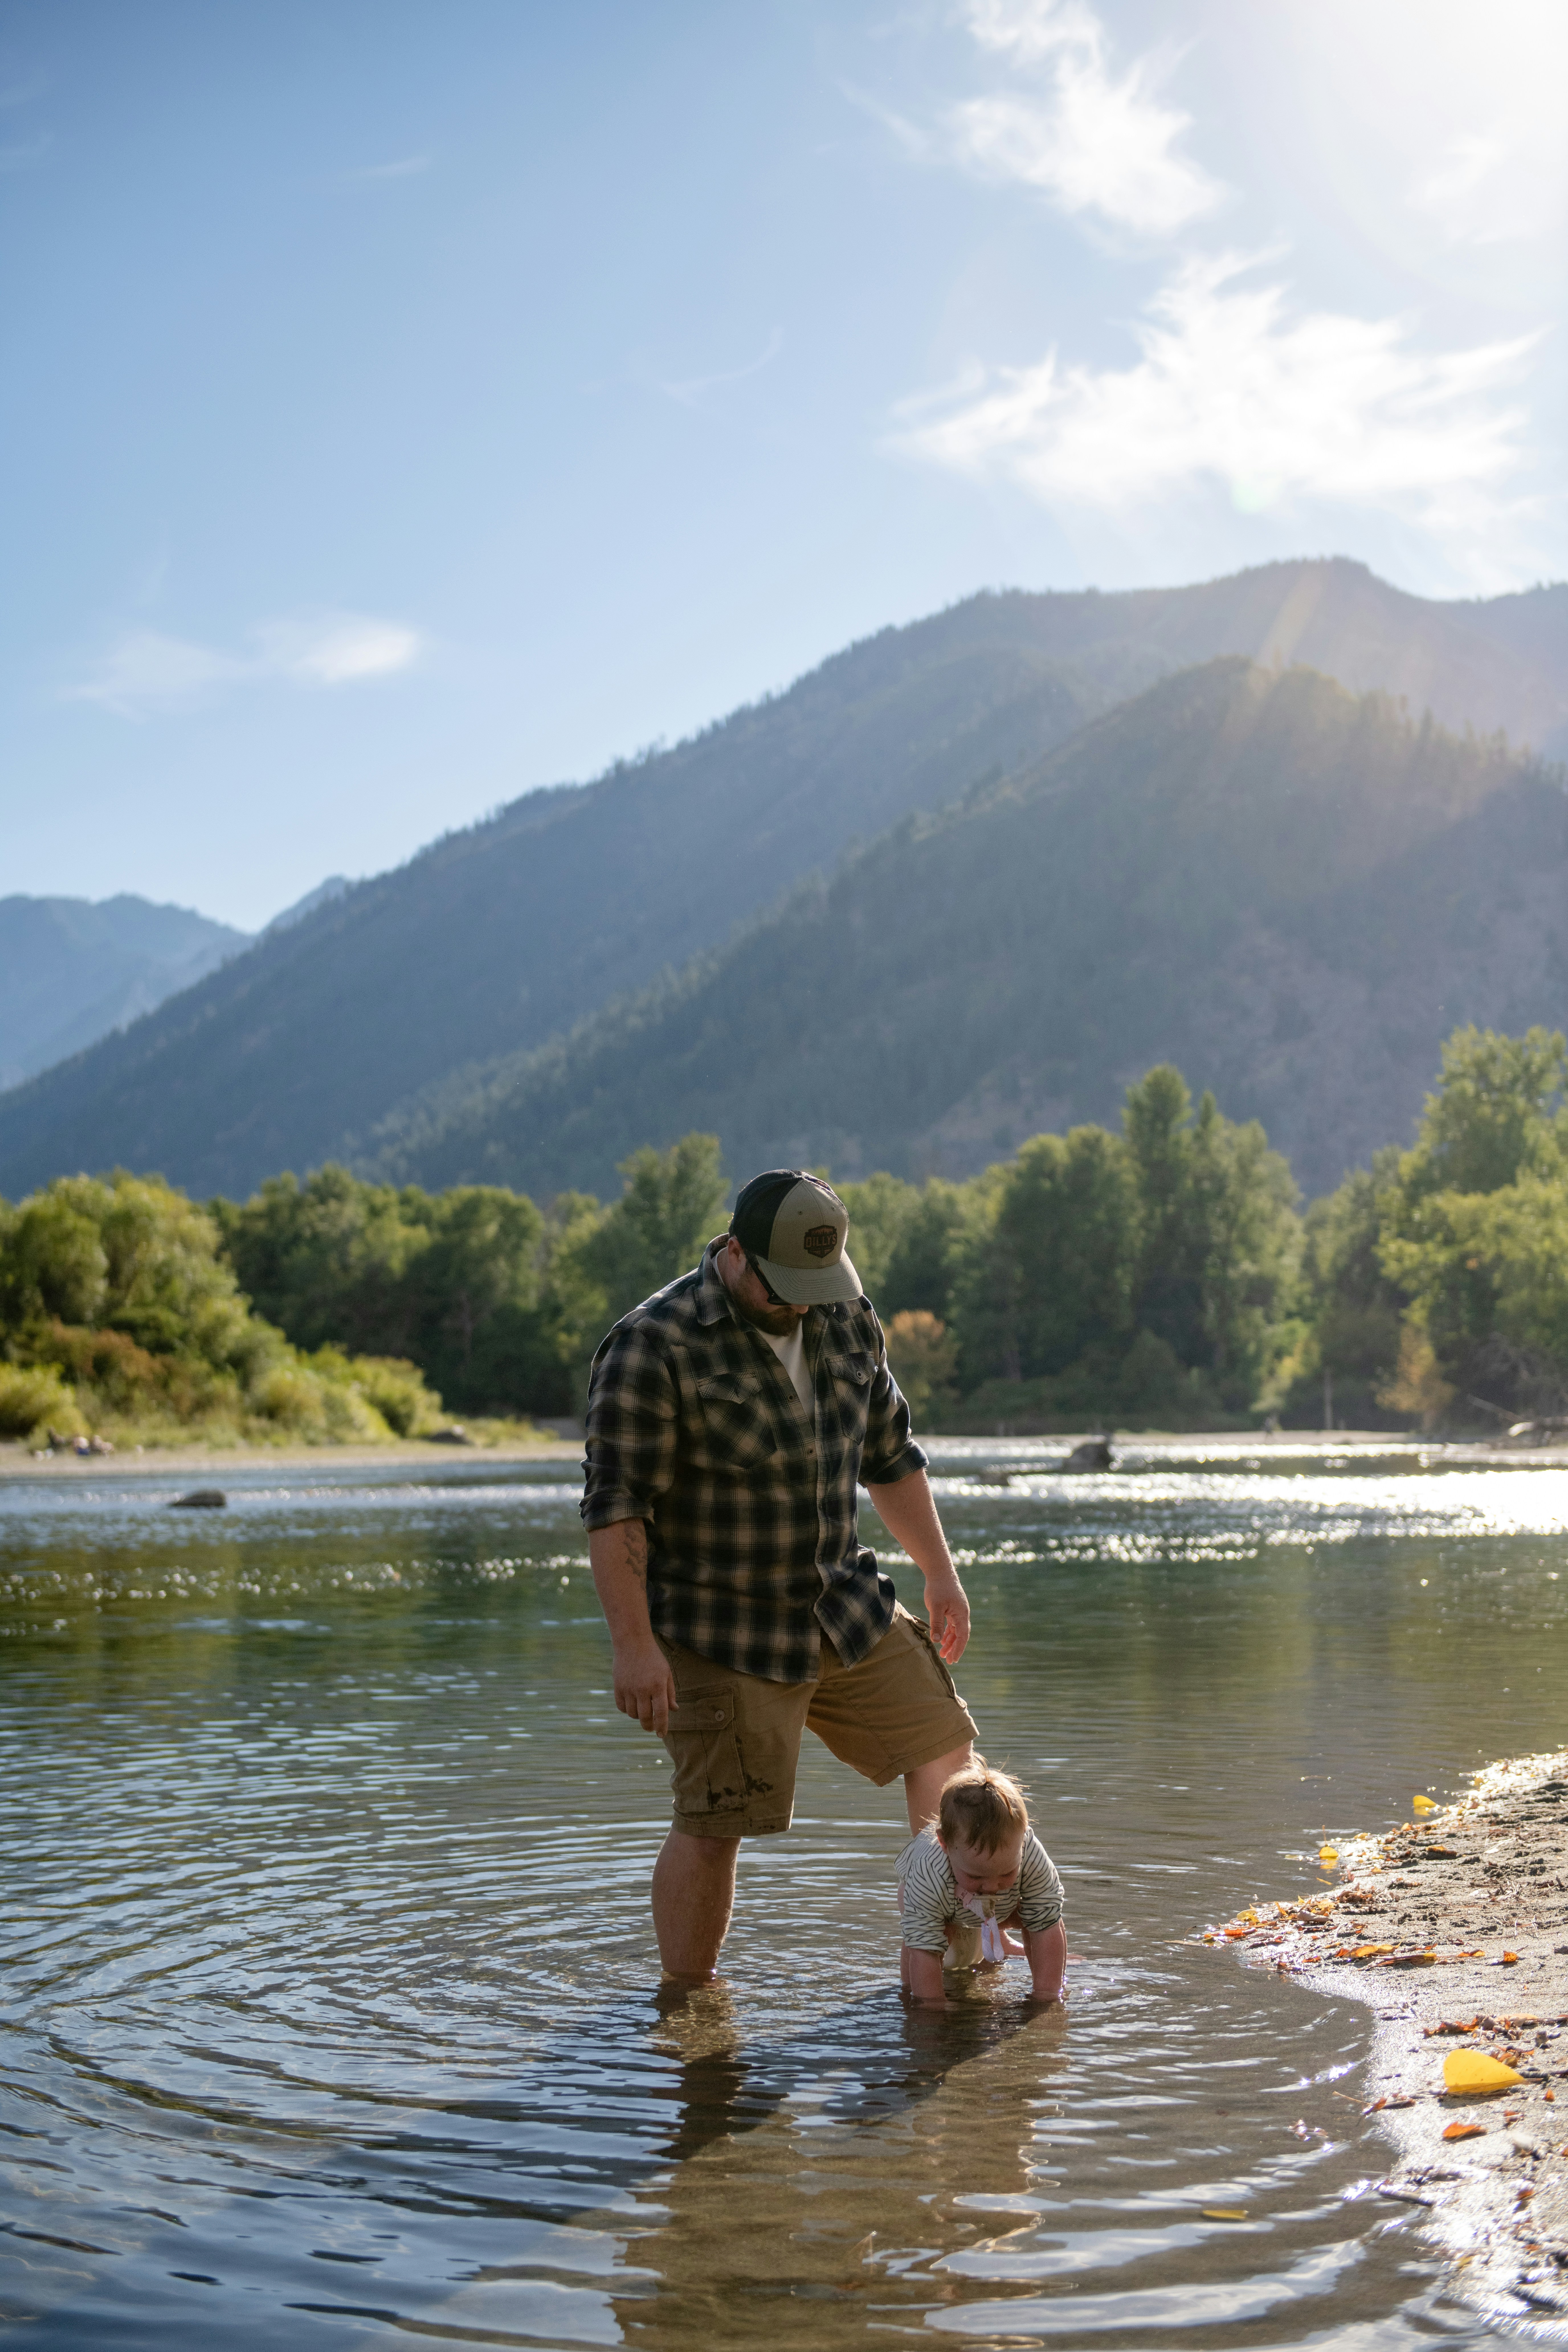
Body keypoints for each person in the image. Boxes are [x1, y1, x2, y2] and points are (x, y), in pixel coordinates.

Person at [582, 1167, 977, 1979]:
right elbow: (617, 1509)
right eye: (784, 1286)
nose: (802, 1304)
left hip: (844, 1605)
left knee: (951, 1761)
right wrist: (634, 1646)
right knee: (716, 1824)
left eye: (817, 1284)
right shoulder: (653, 1343)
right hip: (722, 1628)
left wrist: (940, 1573)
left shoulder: (847, 1313)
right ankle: (687, 2009)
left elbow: (891, 1456)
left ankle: (954, 1973)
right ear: (735, 1253)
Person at [897, 1760, 1066, 2005]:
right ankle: (909, 1994)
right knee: (921, 1940)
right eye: (976, 1876)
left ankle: (1040, 1989)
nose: (992, 1887)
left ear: (1023, 1838)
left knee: (1043, 1918)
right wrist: (931, 2011)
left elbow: (1047, 1922)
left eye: (1007, 1873)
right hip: (942, 1903)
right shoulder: (929, 1870)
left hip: (1004, 1908)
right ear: (945, 1844)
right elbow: (923, 1949)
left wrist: (1048, 1998)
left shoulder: (1030, 1853)